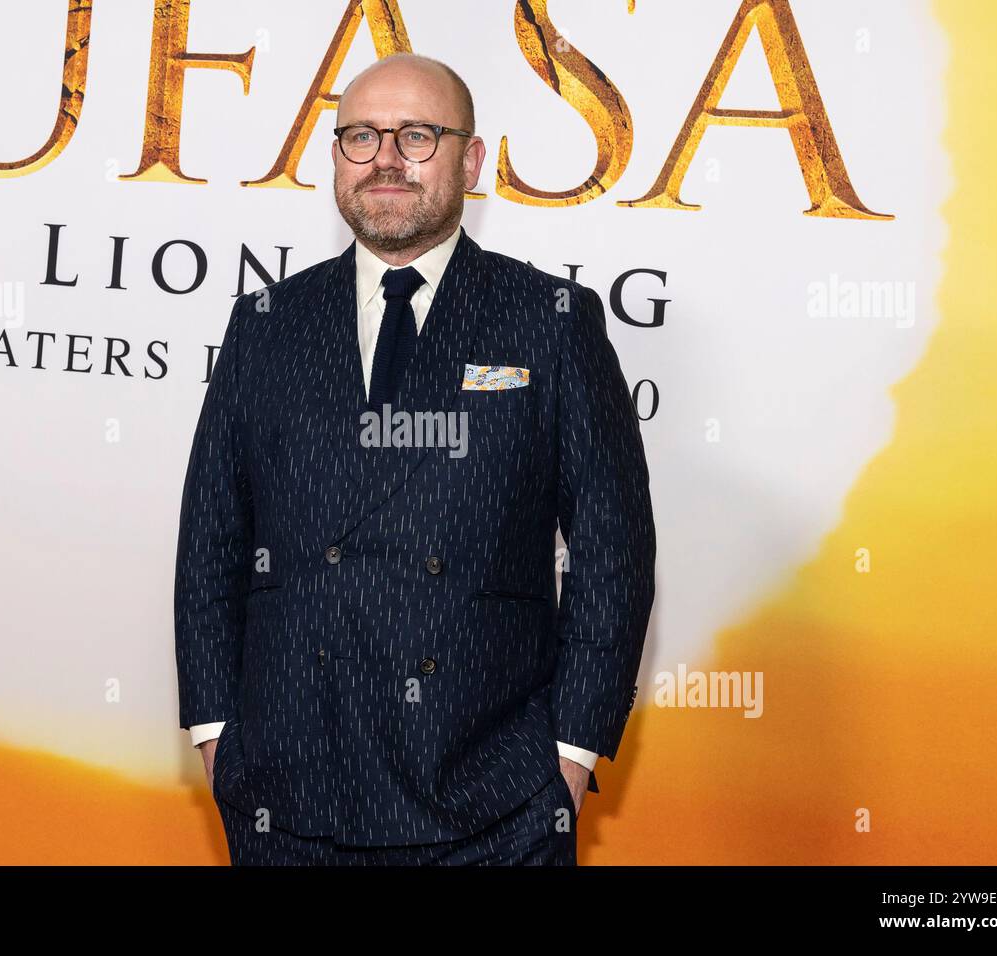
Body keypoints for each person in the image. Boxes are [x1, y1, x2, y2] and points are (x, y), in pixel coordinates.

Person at [174, 52, 654, 865]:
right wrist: (219, 732)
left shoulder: (551, 322)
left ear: (470, 161)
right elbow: (211, 542)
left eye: (417, 135)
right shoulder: (266, 324)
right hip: (287, 800)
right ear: (335, 157)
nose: (386, 158)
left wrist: (570, 755)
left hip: (492, 804)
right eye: (360, 136)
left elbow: (615, 551)